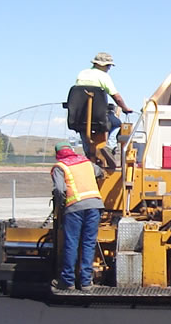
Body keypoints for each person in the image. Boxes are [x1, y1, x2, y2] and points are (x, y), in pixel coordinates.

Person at [51, 143, 105, 291]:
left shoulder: (60, 167)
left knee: (71, 243)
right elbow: (100, 173)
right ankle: (86, 282)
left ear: (58, 153)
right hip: (94, 206)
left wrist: (60, 205)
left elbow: (59, 189)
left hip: (74, 208)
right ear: (72, 151)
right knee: (89, 243)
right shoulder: (86, 162)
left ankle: (68, 281)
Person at [75, 52, 134, 150]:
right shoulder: (103, 76)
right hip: (98, 117)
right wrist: (125, 108)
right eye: (108, 65)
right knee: (116, 123)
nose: (109, 68)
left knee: (84, 129)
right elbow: (117, 97)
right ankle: (110, 147)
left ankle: (88, 152)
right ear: (101, 65)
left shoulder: (82, 74)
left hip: (80, 116)